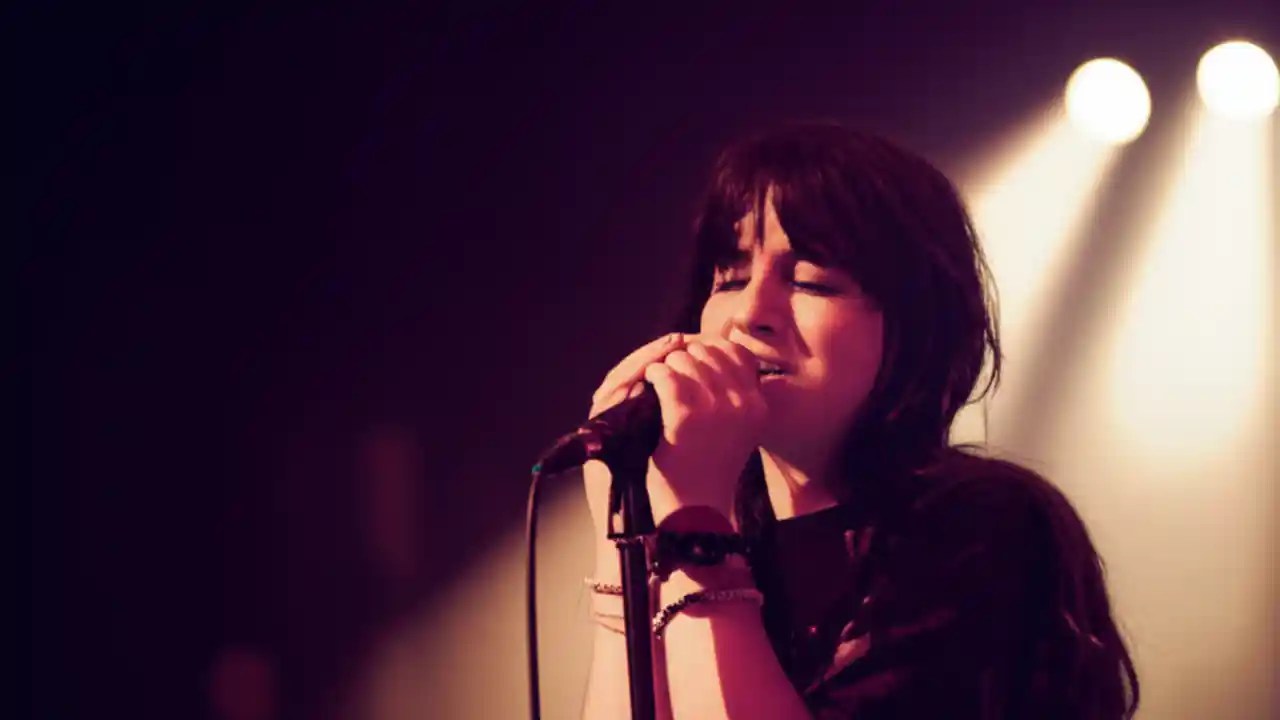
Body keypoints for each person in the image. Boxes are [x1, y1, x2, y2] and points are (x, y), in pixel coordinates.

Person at [578, 121, 1140, 719]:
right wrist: (623, 536)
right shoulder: (732, 533)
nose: (750, 313)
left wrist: (698, 533)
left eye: (812, 282)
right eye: (732, 278)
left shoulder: (986, 528)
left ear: (913, 323)